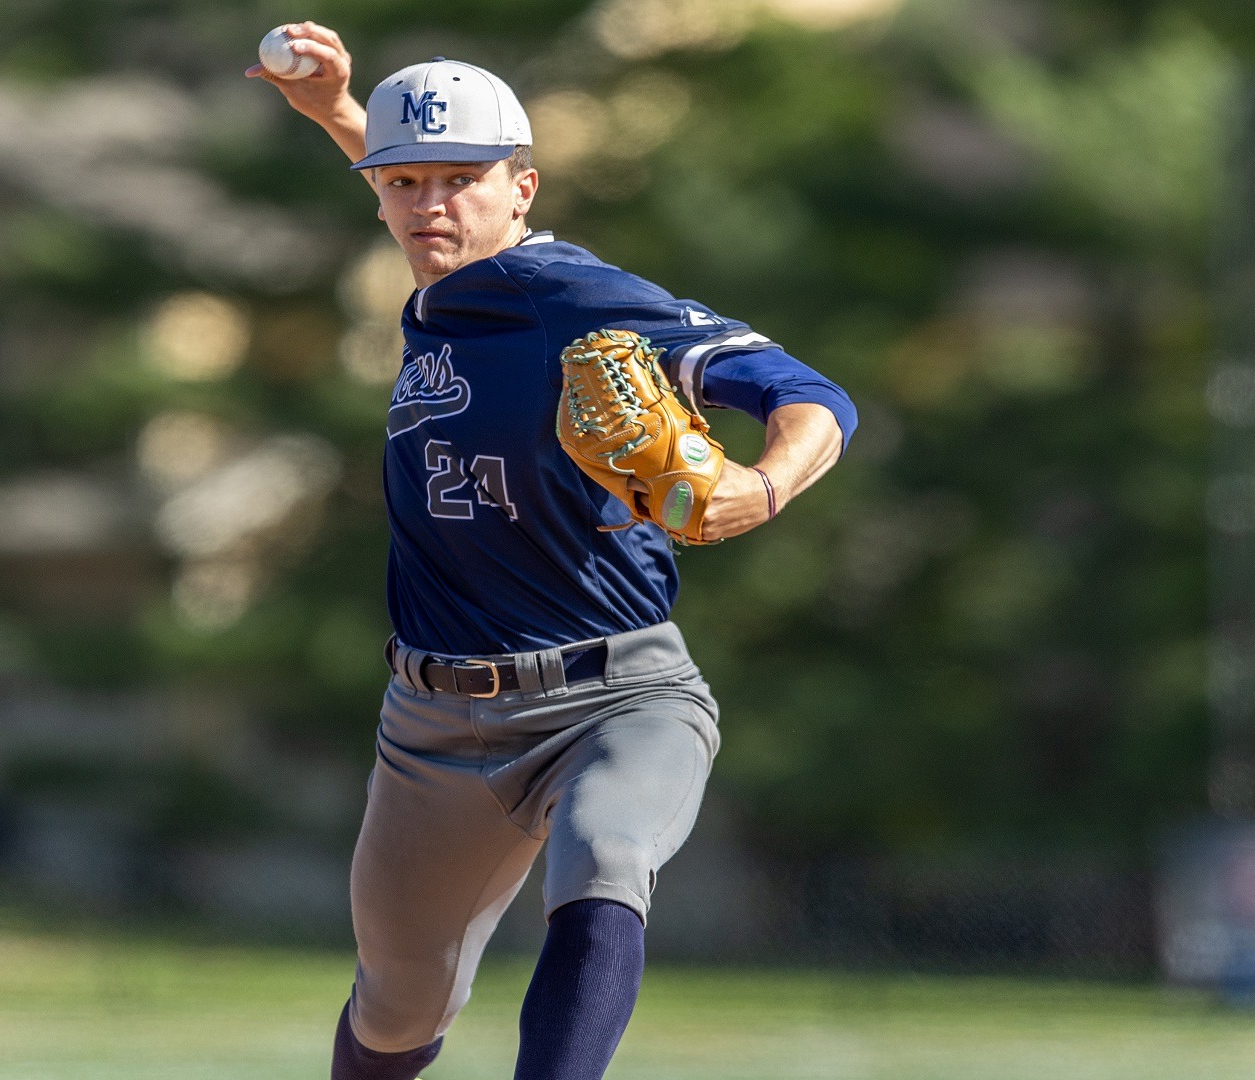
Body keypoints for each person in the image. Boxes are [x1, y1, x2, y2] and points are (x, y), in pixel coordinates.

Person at [248, 24, 857, 1080]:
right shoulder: (448, 286)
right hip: (433, 725)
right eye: (403, 182)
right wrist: (340, 113)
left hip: (616, 697)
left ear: (522, 187)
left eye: (464, 179)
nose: (430, 204)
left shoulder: (569, 295)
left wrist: (762, 487)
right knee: (395, 1011)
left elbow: (813, 395)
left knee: (604, 860)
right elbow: (428, 201)